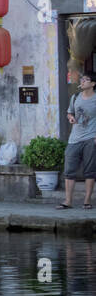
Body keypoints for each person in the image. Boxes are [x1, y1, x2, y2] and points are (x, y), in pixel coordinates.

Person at [58, 72, 96, 209]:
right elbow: (70, 112)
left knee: (90, 171)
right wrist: (70, 118)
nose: (83, 81)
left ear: (93, 84)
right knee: (69, 170)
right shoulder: (75, 97)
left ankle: (87, 201)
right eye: (82, 79)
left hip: (90, 139)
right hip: (74, 139)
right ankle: (68, 201)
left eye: (86, 79)